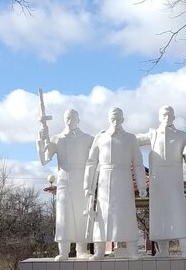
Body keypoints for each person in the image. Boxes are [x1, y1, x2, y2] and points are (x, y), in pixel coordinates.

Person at [83, 107, 146, 259]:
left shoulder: (130, 138)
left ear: (123, 119)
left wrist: (142, 185)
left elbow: (138, 163)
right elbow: (91, 162)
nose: (115, 121)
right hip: (105, 178)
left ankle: (132, 249)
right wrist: (87, 185)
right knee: (103, 214)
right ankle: (99, 250)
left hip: (124, 178)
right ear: (108, 119)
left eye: (118, 118)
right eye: (112, 118)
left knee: (127, 212)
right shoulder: (100, 137)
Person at [137, 105, 186, 257]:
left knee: (179, 211)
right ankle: (162, 250)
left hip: (174, 178)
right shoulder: (153, 134)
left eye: (169, 115)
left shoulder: (181, 135)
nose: (166, 118)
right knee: (159, 212)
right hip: (157, 178)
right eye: (164, 115)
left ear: (173, 117)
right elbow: (134, 140)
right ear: (159, 117)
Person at [38, 108, 95, 260]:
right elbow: (45, 159)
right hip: (64, 178)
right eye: (67, 118)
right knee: (64, 215)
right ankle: (63, 251)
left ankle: (81, 250)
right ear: (64, 120)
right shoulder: (58, 139)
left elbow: (101, 149)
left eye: (73, 118)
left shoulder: (87, 138)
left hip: (82, 179)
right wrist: (42, 139)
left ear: (78, 120)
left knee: (81, 212)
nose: (70, 121)